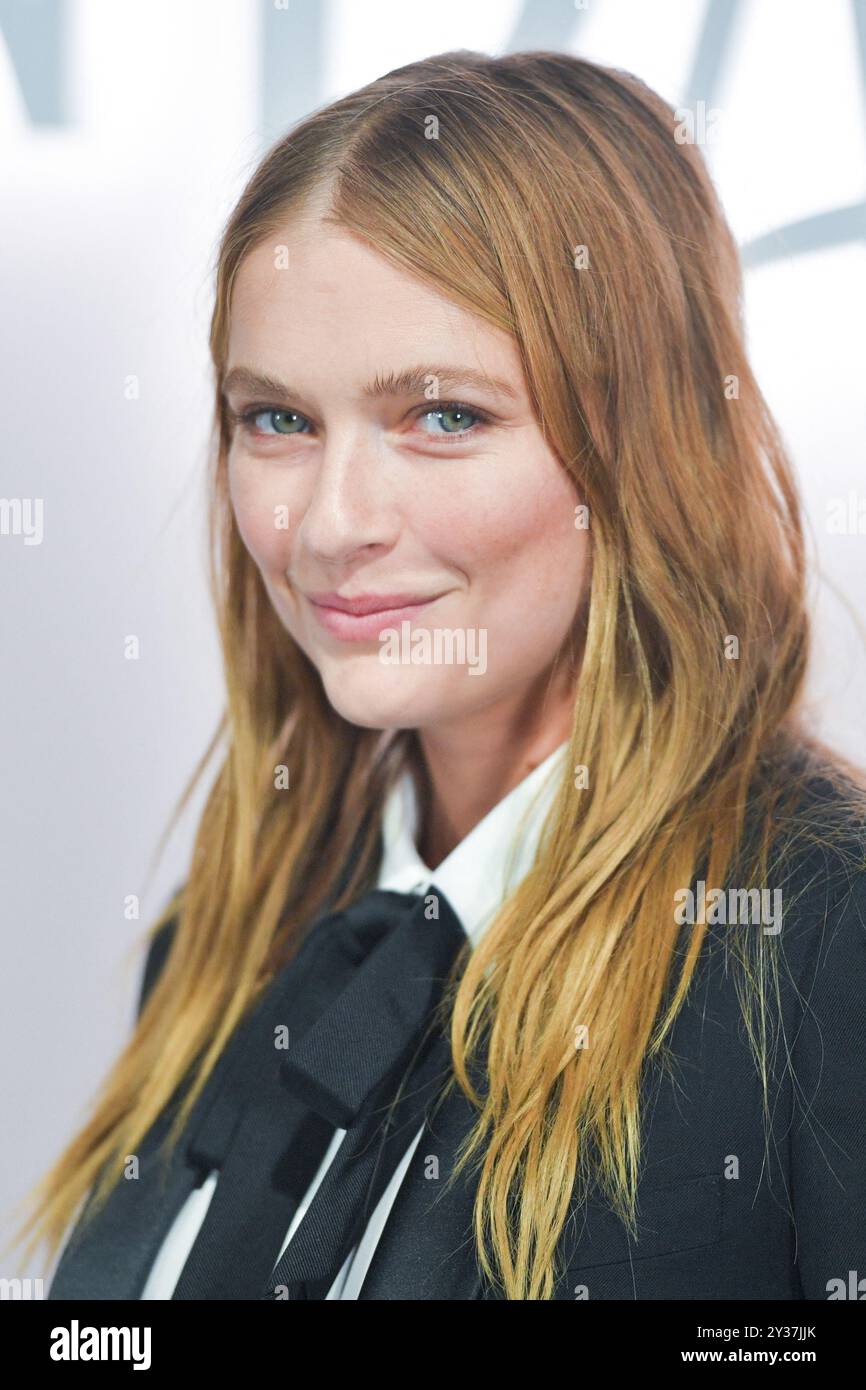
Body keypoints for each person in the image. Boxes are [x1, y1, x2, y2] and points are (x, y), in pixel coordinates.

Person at [12, 48, 866, 1301]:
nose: (328, 523)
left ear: (642, 444)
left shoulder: (816, 938)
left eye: (444, 415)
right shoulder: (231, 934)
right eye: (277, 420)